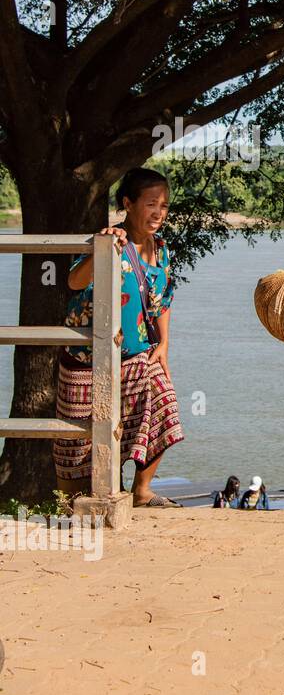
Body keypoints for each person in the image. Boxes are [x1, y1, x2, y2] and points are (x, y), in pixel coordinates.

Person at [54, 166, 186, 507]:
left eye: (165, 205)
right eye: (151, 203)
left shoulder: (161, 248)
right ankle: (72, 508)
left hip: (136, 354)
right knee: (78, 447)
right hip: (88, 358)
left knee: (163, 398)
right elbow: (74, 282)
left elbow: (164, 300)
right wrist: (104, 247)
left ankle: (141, 492)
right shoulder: (112, 241)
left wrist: (165, 346)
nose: (159, 212)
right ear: (128, 203)